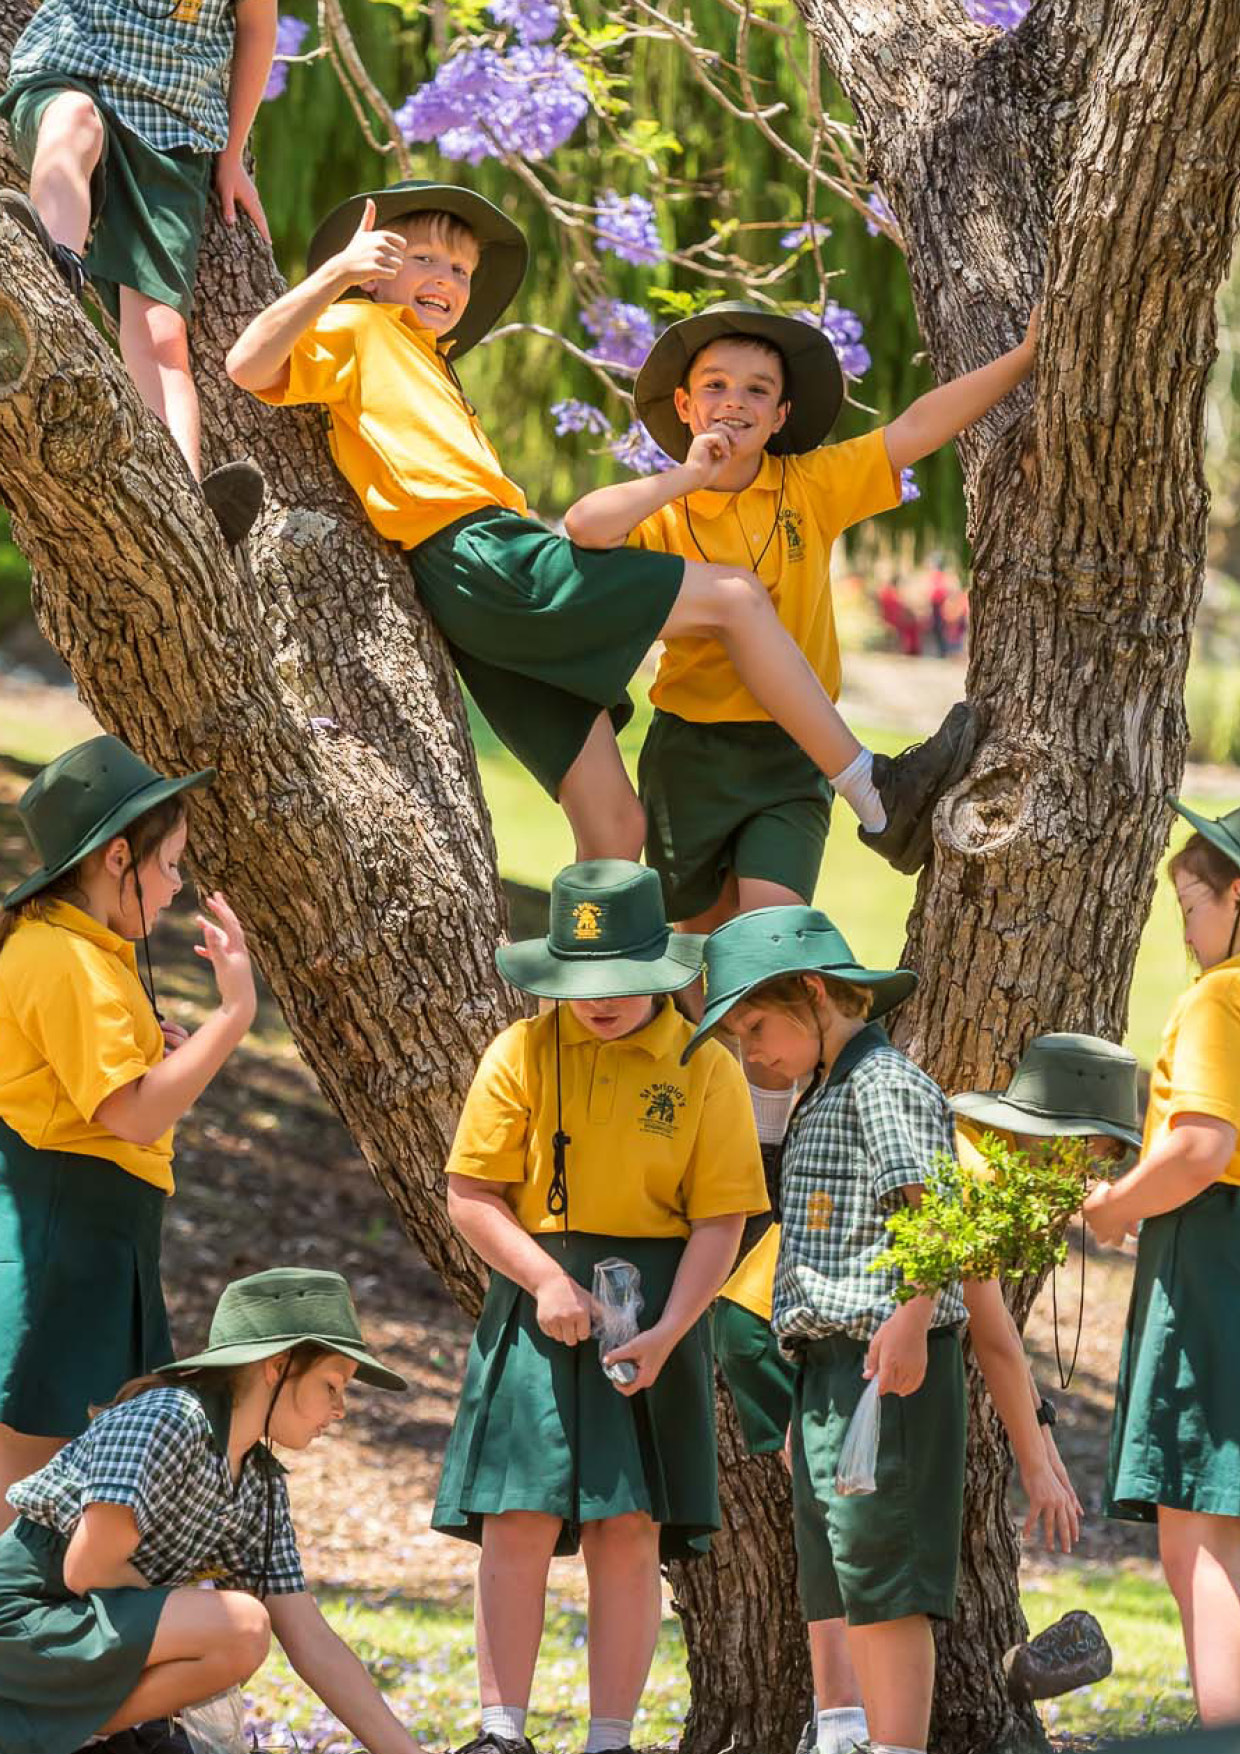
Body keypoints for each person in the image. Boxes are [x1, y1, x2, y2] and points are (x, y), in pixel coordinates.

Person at [228, 189, 972, 868]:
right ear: (372, 269)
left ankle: (583, 1004)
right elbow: (246, 365)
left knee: (615, 829)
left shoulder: (427, 358)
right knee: (737, 598)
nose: (447, 278)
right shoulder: (358, 323)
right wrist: (334, 277)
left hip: (479, 585)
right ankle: (873, 793)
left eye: (460, 268)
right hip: (483, 556)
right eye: (421, 257)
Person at [431, 860, 769, 1754]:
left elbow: (721, 1219)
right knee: (519, 1512)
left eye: (621, 979)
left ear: (660, 970)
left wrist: (668, 1332)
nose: (600, 999)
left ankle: (609, 1739)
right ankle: (500, 1730)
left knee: (629, 1521)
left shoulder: (706, 1067)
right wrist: (543, 1280)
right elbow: (470, 1193)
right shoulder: (520, 1051)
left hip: (656, 1308)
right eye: (582, 982)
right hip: (540, 1294)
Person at [563, 301, 1040, 907]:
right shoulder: (661, 509)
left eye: (757, 390)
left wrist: (1025, 358)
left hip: (799, 752)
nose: (735, 400)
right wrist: (686, 477)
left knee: (769, 945)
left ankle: (872, 801)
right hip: (690, 754)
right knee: (697, 951)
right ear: (684, 406)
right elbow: (584, 526)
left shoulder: (809, 485)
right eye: (715, 385)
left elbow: (917, 427)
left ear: (780, 415)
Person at [684, 905, 966, 1754]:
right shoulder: (825, 1090)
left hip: (887, 1362)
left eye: (758, 1026)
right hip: (830, 1368)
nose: (752, 1053)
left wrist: (914, 1319)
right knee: (838, 1568)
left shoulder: (883, 1085)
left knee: (883, 1574)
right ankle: (850, 1733)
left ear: (814, 991)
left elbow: (939, 1215)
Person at [0, 1266, 431, 1754]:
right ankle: (42, 1734)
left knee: (238, 1633)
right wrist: (183, 1617)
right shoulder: (166, 1418)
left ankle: (57, 1735)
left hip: (82, 1636)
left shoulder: (258, 1482)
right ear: (277, 1365)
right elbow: (87, 1570)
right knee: (239, 1627)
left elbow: (311, 1638)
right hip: (26, 1620)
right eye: (332, 1386)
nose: (341, 1410)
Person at [0, 735, 255, 1530]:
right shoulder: (63, 957)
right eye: (170, 863)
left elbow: (124, 1097)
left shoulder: (85, 953)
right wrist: (233, 1015)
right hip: (60, 1233)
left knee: (53, 1497)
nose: (177, 885)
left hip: (94, 1233)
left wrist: (162, 1051)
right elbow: (136, 1113)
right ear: (117, 857)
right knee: (29, 1501)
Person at [0, 0, 276, 545]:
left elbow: (257, 28)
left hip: (173, 127)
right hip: (77, 72)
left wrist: (232, 153)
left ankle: (186, 503)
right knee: (73, 125)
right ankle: (45, 284)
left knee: (162, 336)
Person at [1085, 797, 1240, 1727]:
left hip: (1215, 1261)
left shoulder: (1221, 996)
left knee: (1201, 1534)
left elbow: (1201, 1148)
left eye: (1191, 905)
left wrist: (1112, 1207)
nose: (1183, 933)